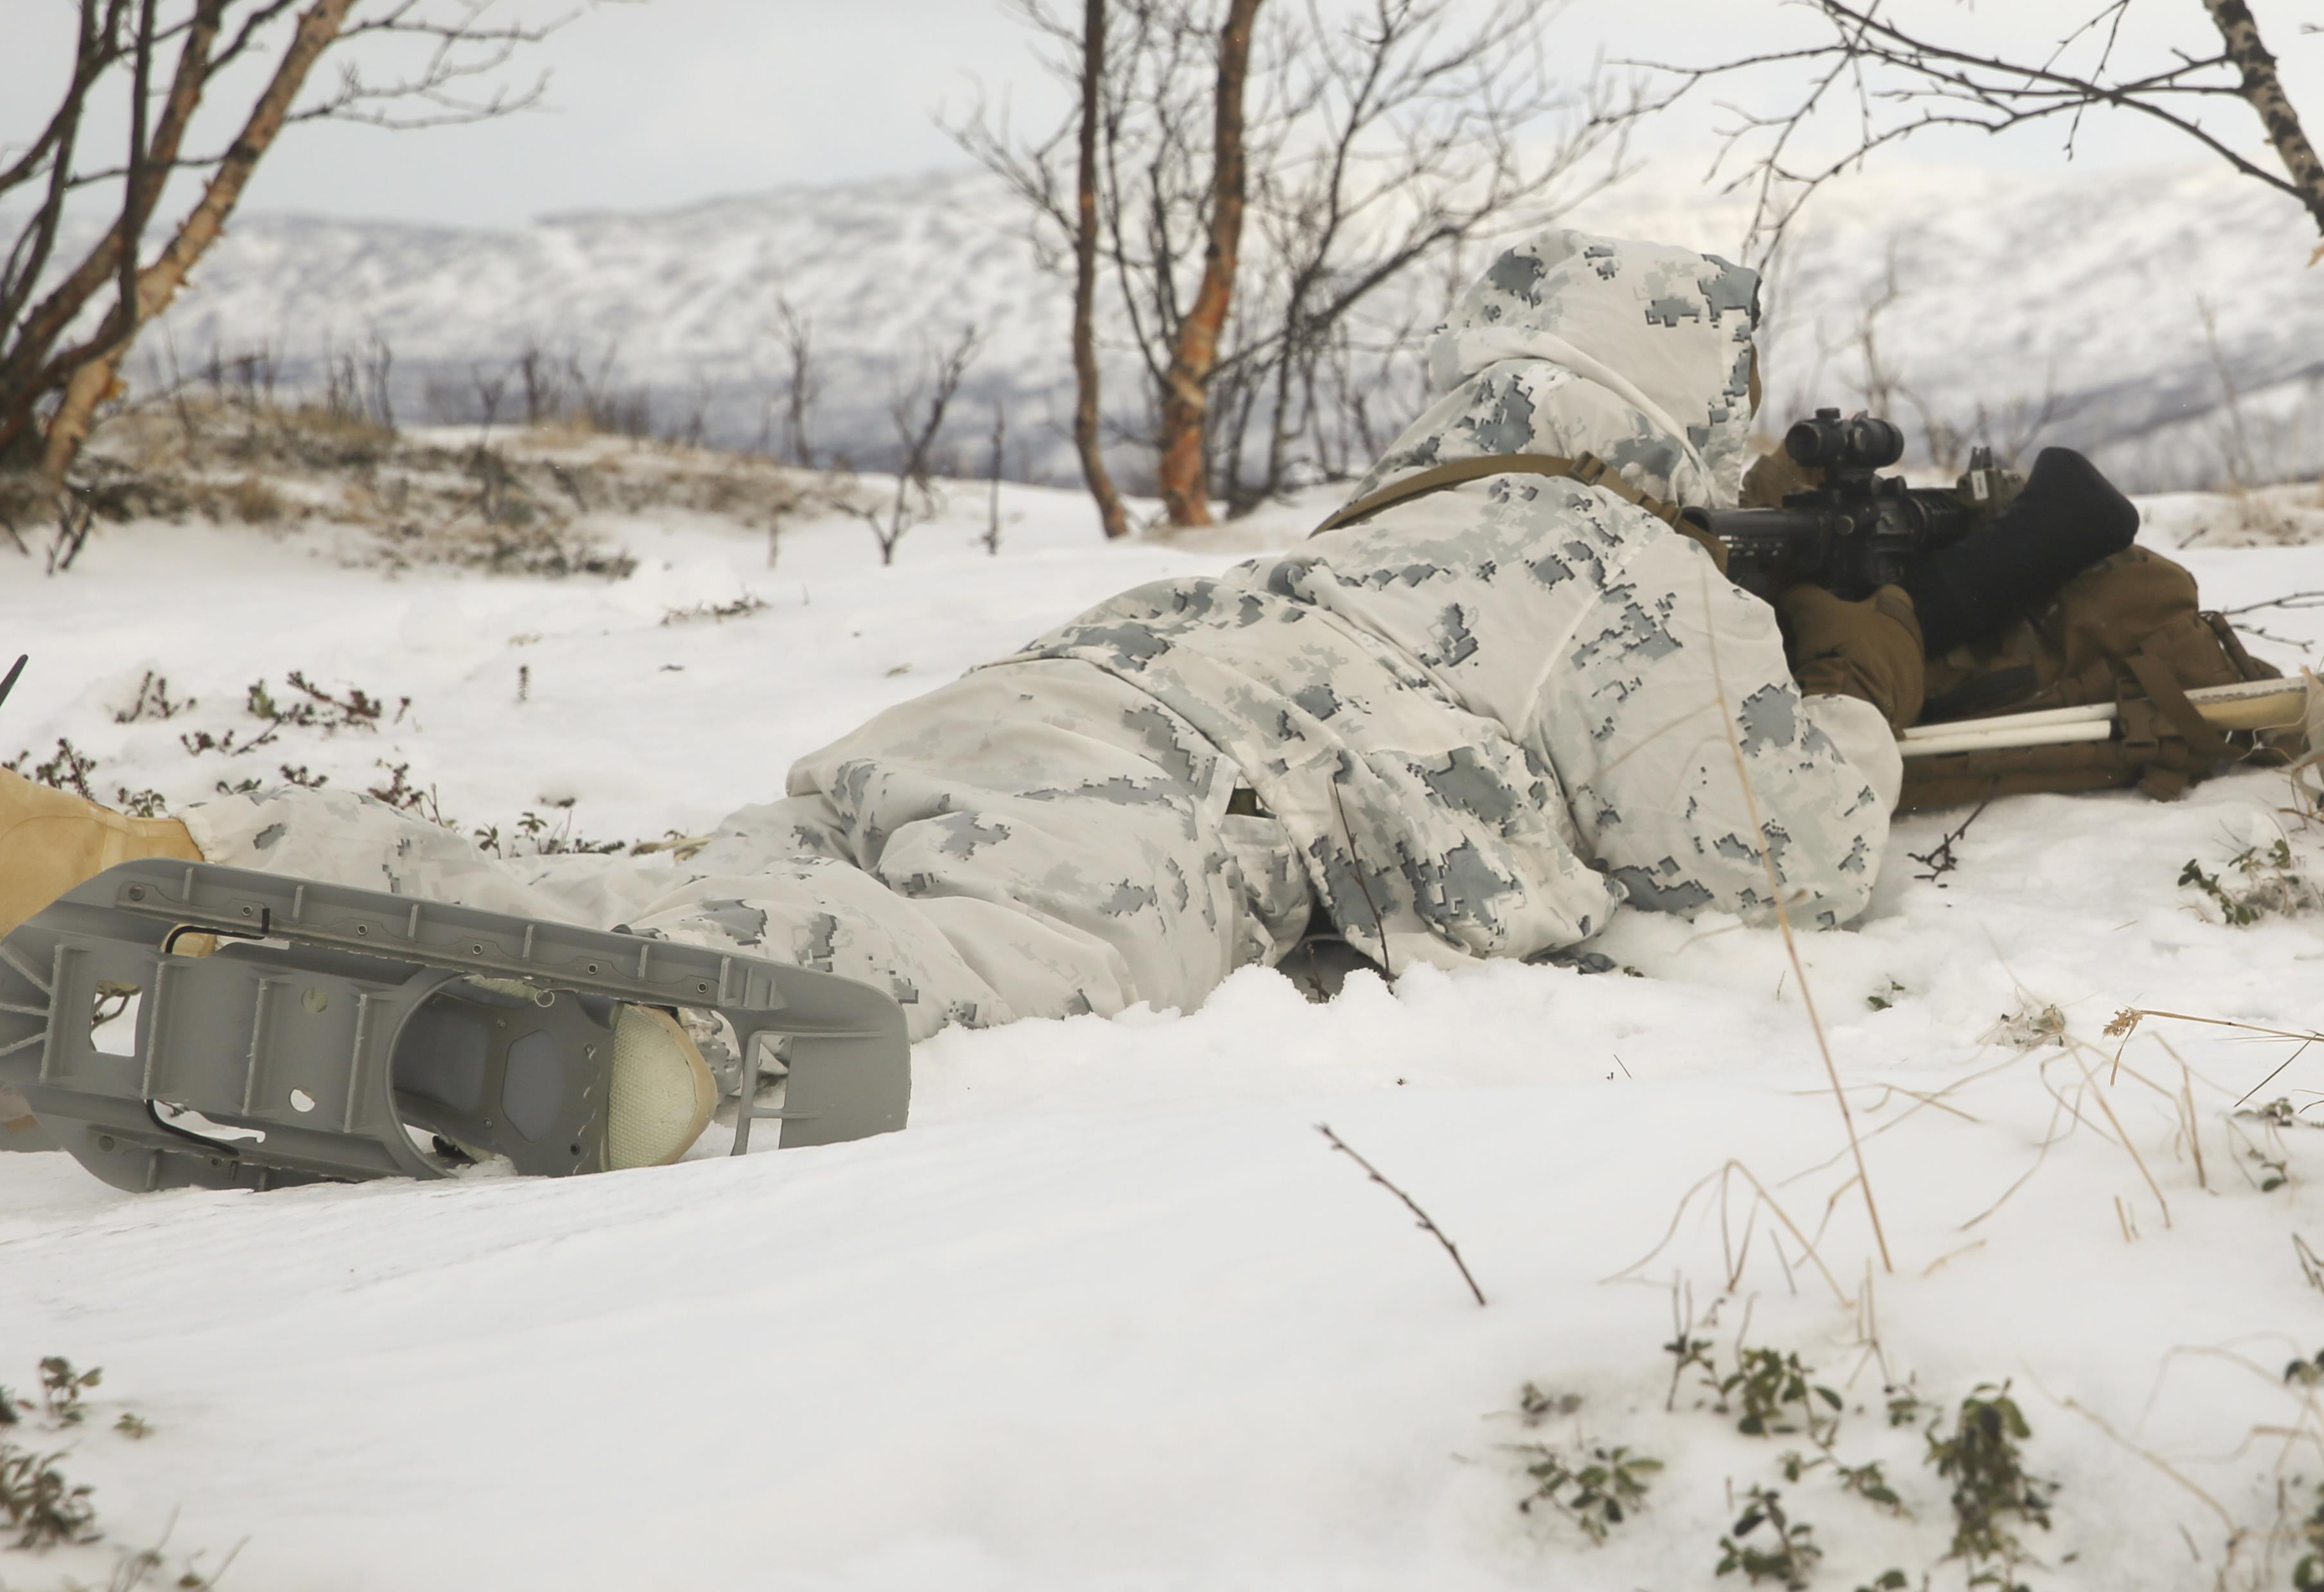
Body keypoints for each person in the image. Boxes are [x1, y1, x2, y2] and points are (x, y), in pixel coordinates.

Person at [0, 231, 1930, 1165]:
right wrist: (1857, 678)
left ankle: (156, 864)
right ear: (1683, 413)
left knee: (727, 888)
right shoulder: (1626, 566)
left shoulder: (1393, 526)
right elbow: (1785, 857)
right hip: (1147, 822)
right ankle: (149, 891)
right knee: (816, 984)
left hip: (1000, 723)